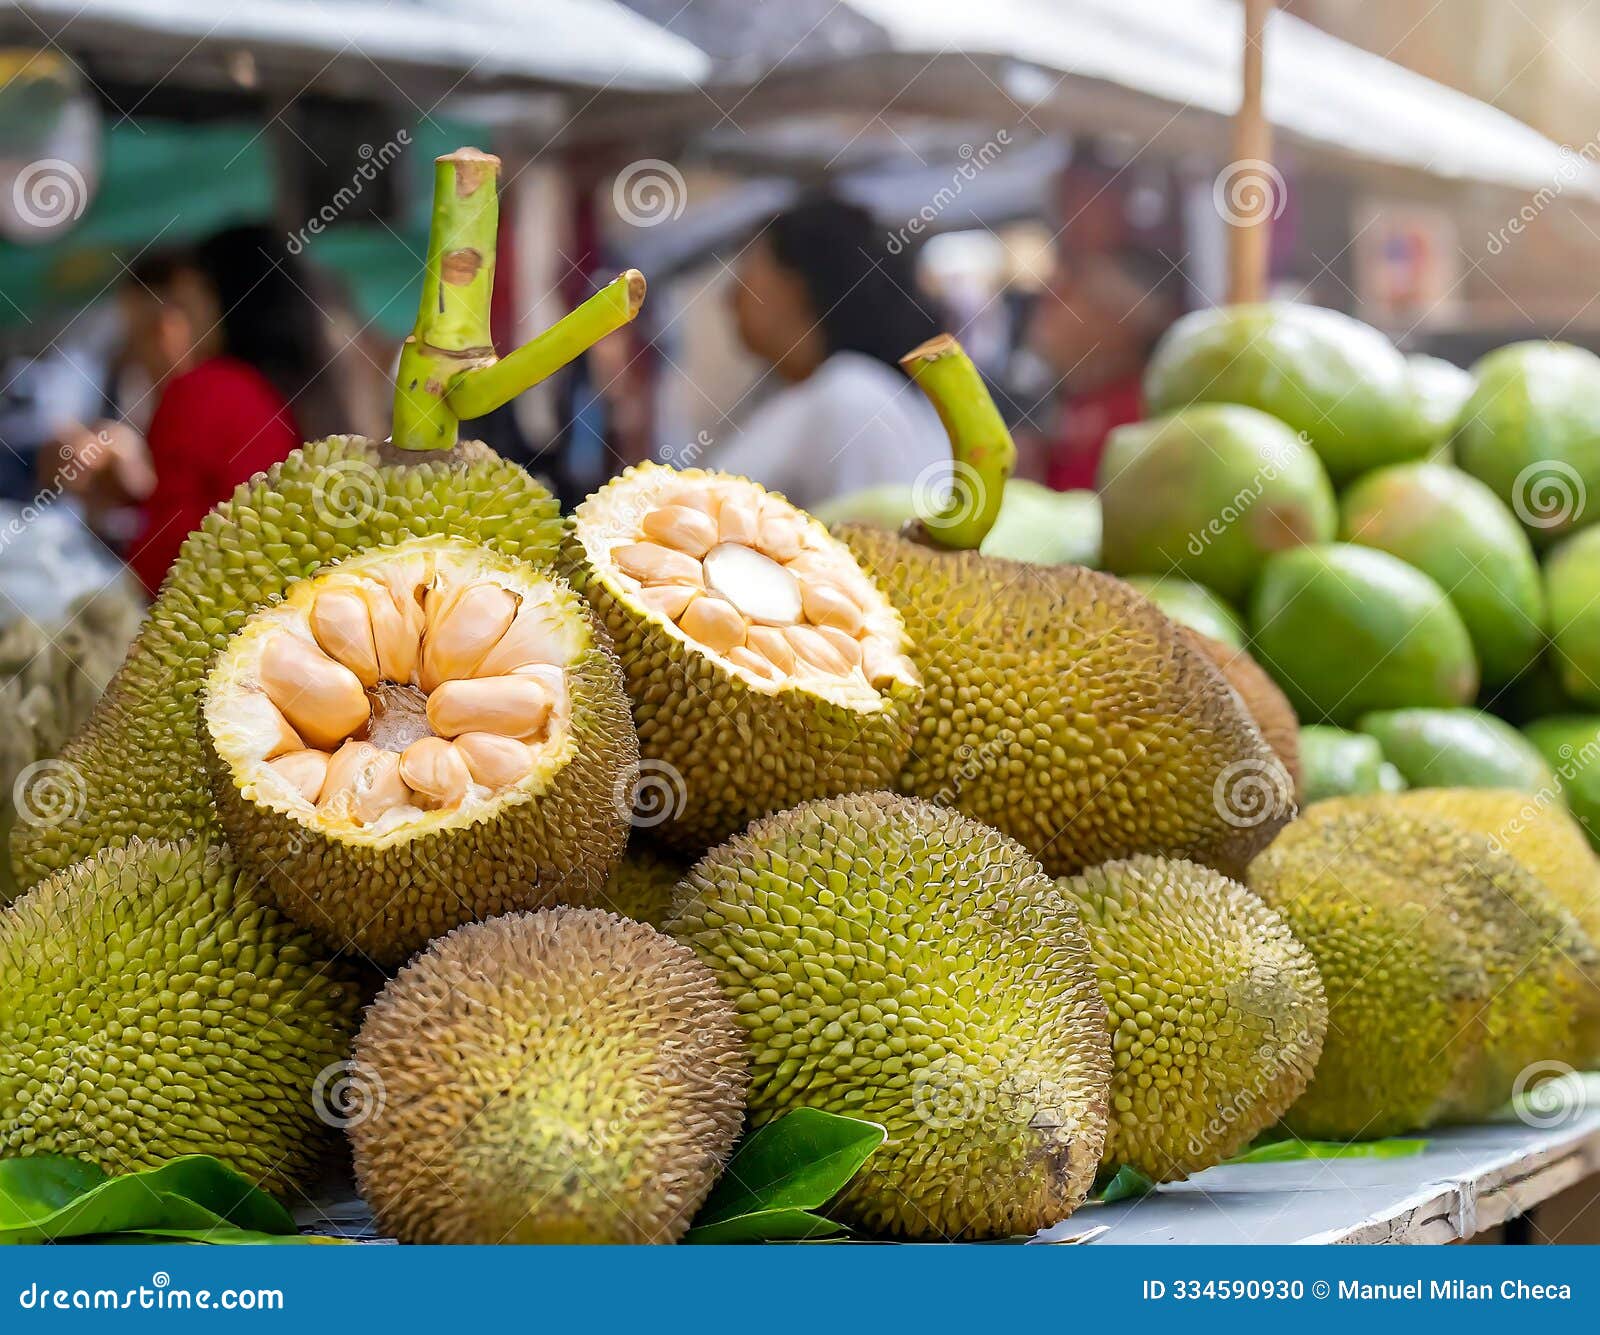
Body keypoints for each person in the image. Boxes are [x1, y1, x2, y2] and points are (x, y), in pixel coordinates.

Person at [42, 226, 337, 595]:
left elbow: (165, 557)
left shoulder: (207, 388)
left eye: (189, 299)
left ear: (222, 299)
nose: (182, 318)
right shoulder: (264, 391)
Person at [710, 198, 948, 509]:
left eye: (746, 277)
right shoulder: (808, 391)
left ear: (794, 288)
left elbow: (865, 548)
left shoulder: (852, 396)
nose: (728, 301)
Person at [1026, 248, 1177, 491]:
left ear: (1111, 324)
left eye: (1064, 298)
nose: (1043, 313)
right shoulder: (1071, 403)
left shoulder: (1143, 412)